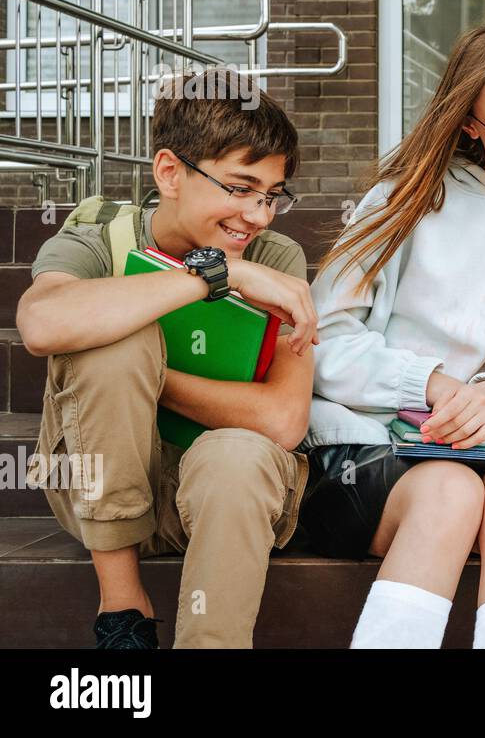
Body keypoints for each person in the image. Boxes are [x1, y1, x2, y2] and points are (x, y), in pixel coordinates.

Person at [299, 19, 485, 649]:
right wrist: (429, 384)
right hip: (378, 454)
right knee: (451, 488)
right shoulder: (403, 200)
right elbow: (325, 339)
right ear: (469, 123)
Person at [17, 68, 318, 648]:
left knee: (237, 453)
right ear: (169, 172)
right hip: (96, 489)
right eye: (239, 188)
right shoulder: (97, 236)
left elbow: (282, 419)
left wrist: (151, 378)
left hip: (222, 497)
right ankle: (122, 609)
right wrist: (212, 275)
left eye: (271, 196)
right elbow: (42, 322)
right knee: (116, 338)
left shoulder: (278, 257)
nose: (257, 216)